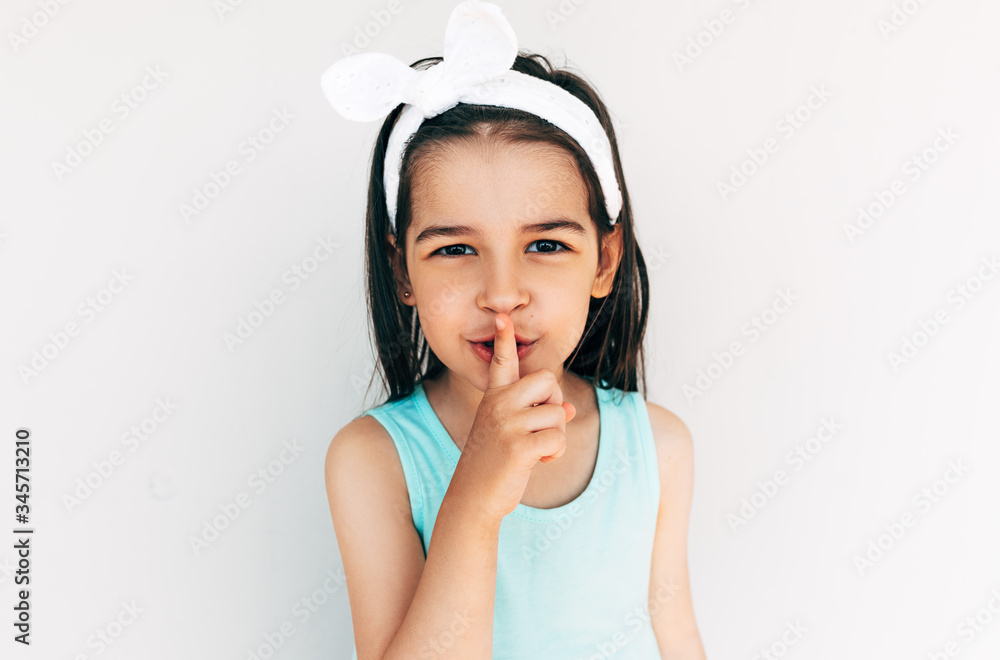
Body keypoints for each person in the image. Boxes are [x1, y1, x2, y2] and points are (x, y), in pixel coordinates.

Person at [320, 1, 706, 657]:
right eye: (455, 250)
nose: (502, 294)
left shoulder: (657, 446)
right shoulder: (373, 460)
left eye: (547, 245)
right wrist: (477, 493)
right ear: (402, 270)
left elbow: (676, 637)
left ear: (604, 260)